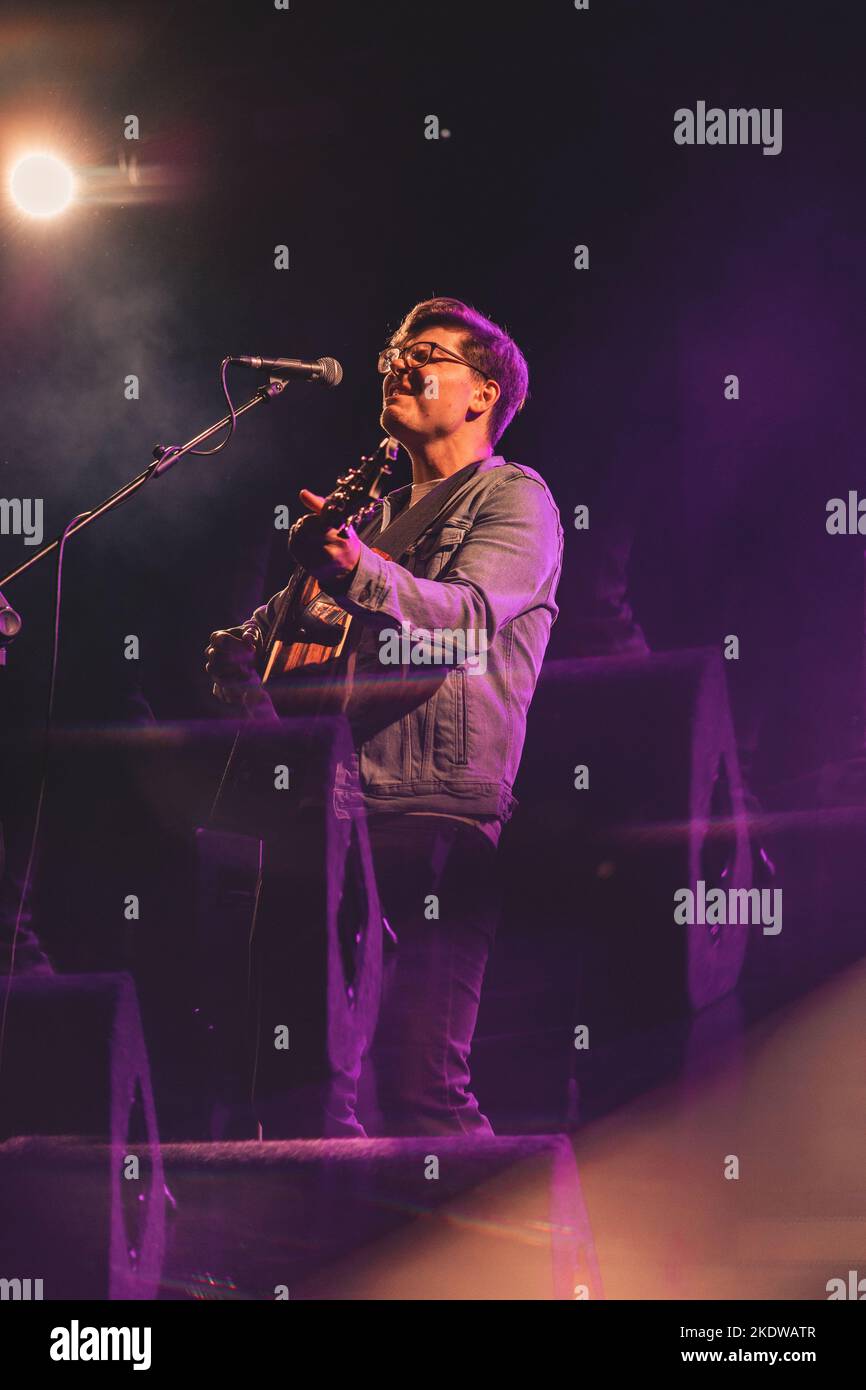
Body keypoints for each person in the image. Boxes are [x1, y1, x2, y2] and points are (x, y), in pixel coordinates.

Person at [206, 297, 563, 1136]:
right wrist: (231, 660)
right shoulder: (364, 518)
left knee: (420, 1086)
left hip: (429, 817)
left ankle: (504, 1256)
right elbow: (263, 649)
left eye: (426, 352)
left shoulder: (513, 499)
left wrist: (356, 570)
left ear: (482, 394)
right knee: (308, 1095)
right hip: (322, 821)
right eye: (396, 348)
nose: (398, 361)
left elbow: (468, 619)